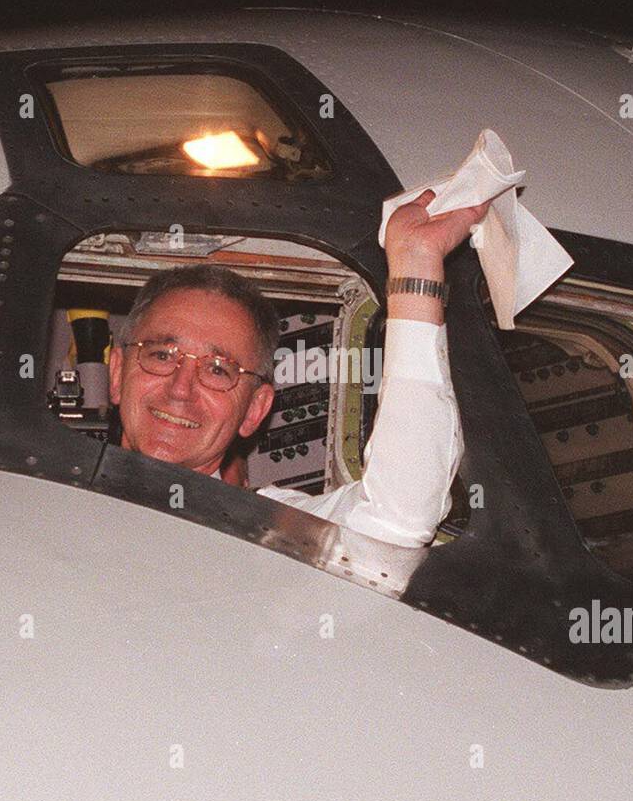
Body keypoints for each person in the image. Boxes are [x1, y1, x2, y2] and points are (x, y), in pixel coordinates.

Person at [108, 190, 490, 547]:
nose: (180, 388)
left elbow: (399, 515)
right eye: (161, 355)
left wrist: (417, 260)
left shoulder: (270, 531)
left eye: (218, 370)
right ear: (117, 373)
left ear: (255, 410)